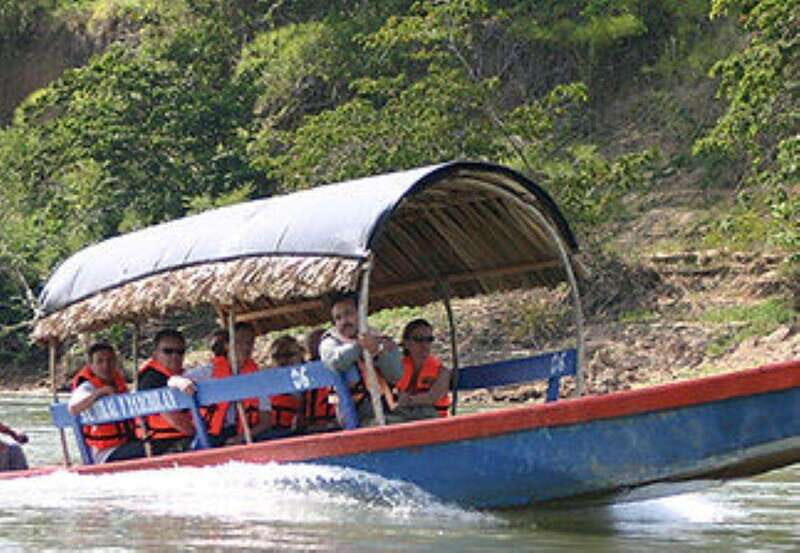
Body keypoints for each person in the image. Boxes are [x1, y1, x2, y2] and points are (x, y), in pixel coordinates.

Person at [174, 323, 272, 446]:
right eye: (240, 341)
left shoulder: (257, 378)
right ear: (227, 345)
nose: (246, 346)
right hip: (212, 435)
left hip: (244, 435)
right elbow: (172, 380)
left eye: (250, 342)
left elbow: (266, 421)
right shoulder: (210, 371)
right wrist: (181, 382)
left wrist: (241, 438)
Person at [319, 292, 403, 426]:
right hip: (352, 415)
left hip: (387, 409)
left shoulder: (381, 339)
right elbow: (336, 362)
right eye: (338, 318)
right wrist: (360, 345)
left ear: (361, 313)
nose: (344, 321)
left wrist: (377, 351)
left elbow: (395, 374)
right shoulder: (329, 343)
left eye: (348, 314)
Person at [68, 342, 146, 463]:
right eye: (100, 361)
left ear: (115, 362)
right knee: (150, 448)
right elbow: (73, 408)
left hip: (126, 443)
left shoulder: (119, 384)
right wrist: (99, 393)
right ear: (91, 365)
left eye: (110, 360)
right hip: (104, 453)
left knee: (156, 443)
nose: (106, 365)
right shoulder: (87, 387)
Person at [136, 329, 196, 455]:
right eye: (168, 351)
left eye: (180, 352)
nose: (175, 356)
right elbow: (174, 419)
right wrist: (200, 433)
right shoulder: (150, 379)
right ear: (155, 354)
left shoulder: (183, 376)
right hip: (161, 442)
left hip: (176, 437)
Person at [269, 335, 338, 435]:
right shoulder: (267, 384)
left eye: (289, 355)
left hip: (322, 428)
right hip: (279, 433)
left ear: (301, 354)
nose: (283, 361)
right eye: (277, 356)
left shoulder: (317, 377)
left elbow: (335, 400)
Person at [394, 319, 452, 420]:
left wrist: (406, 400)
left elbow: (432, 397)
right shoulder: (395, 368)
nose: (424, 345)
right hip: (402, 417)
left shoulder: (442, 372)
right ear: (406, 343)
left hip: (434, 420)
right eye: (418, 339)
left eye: (429, 339)